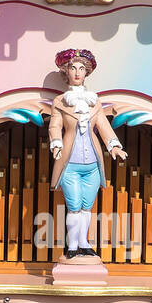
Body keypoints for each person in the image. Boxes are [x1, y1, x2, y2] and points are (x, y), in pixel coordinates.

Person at [47, 48, 127, 258]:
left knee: (86, 207)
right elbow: (55, 126)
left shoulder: (94, 102)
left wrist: (114, 146)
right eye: (73, 68)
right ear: (67, 72)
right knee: (73, 206)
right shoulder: (60, 102)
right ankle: (72, 246)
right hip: (70, 164)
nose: (77, 72)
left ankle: (83, 243)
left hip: (92, 164)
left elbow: (103, 126)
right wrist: (56, 143)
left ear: (86, 72)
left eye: (81, 68)